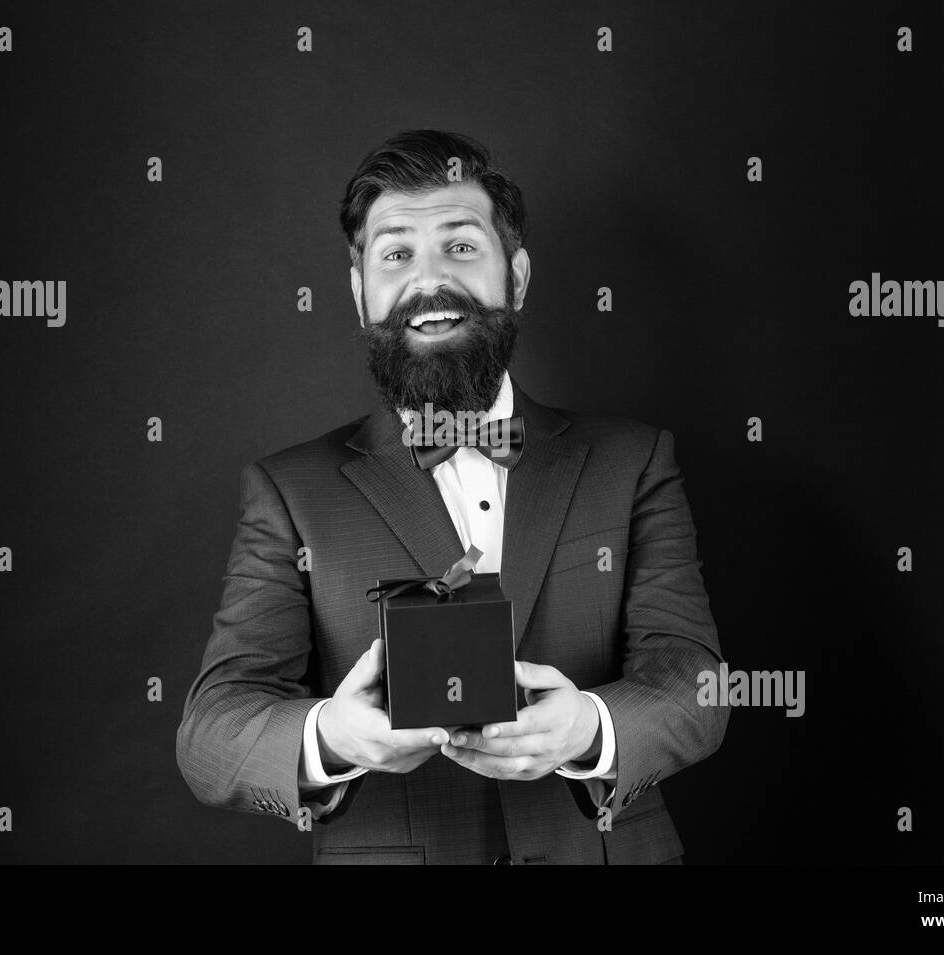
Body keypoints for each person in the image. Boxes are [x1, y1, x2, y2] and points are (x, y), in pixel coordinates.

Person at [176, 129, 729, 864]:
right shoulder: (288, 490)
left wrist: (592, 727)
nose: (428, 281)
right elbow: (211, 732)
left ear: (518, 276)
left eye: (461, 246)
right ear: (358, 290)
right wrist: (333, 736)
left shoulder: (632, 461)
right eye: (396, 252)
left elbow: (698, 685)